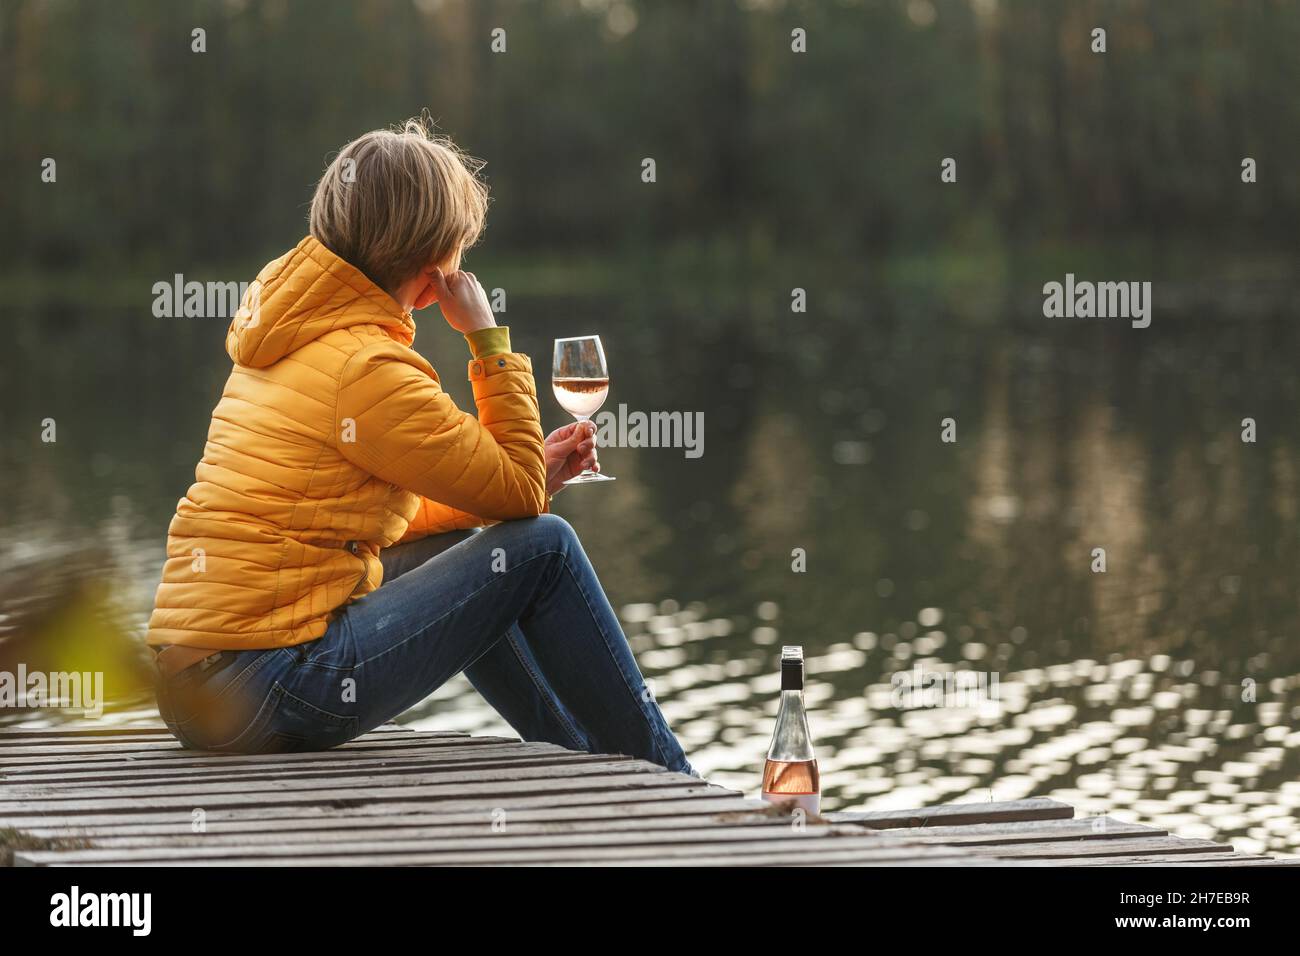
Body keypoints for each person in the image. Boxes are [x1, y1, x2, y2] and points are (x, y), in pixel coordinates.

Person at [147, 118, 694, 777]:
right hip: (270, 687)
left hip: (198, 688)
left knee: (459, 552)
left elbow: (394, 518)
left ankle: (577, 760)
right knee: (545, 549)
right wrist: (487, 340)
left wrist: (521, 486)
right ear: (434, 262)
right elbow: (520, 497)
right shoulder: (369, 368)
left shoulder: (288, 335)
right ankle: (672, 778)